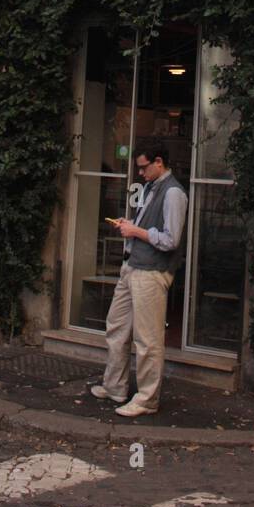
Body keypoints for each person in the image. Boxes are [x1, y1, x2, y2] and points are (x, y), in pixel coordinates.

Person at [89, 147, 188, 417]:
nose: (141, 173)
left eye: (144, 167)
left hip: (152, 272)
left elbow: (171, 239)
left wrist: (136, 231)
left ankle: (147, 399)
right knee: (117, 327)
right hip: (132, 266)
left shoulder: (174, 192)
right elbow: (150, 228)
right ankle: (115, 387)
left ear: (159, 162)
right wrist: (130, 224)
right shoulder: (152, 187)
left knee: (148, 339)